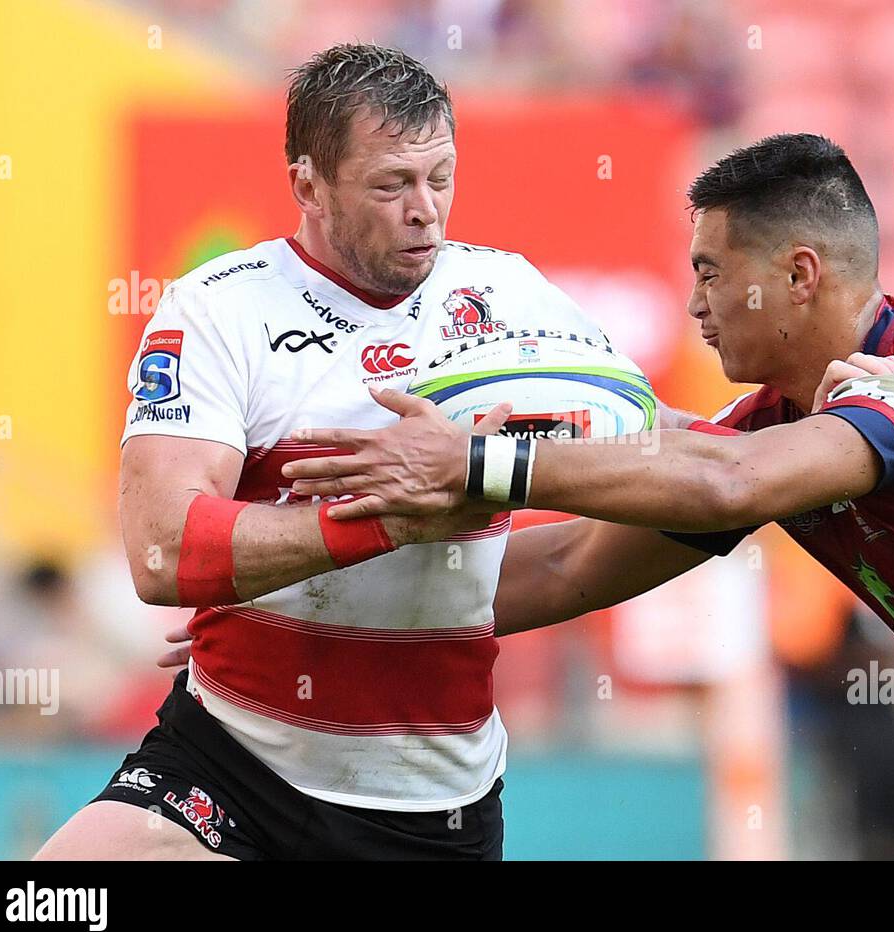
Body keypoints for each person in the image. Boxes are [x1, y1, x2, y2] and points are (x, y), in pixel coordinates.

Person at [283, 133, 894, 860]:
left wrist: (481, 465)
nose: (693, 303)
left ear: (798, 276)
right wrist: (299, 607)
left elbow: (724, 477)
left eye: (710, 273)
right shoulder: (771, 432)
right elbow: (568, 564)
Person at [34, 43, 624, 861]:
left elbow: (651, 445)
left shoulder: (512, 296)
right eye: (391, 183)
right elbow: (161, 550)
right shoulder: (218, 307)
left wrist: (785, 433)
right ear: (307, 182)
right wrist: (387, 521)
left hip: (431, 810)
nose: (426, 208)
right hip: (229, 764)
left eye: (441, 177)